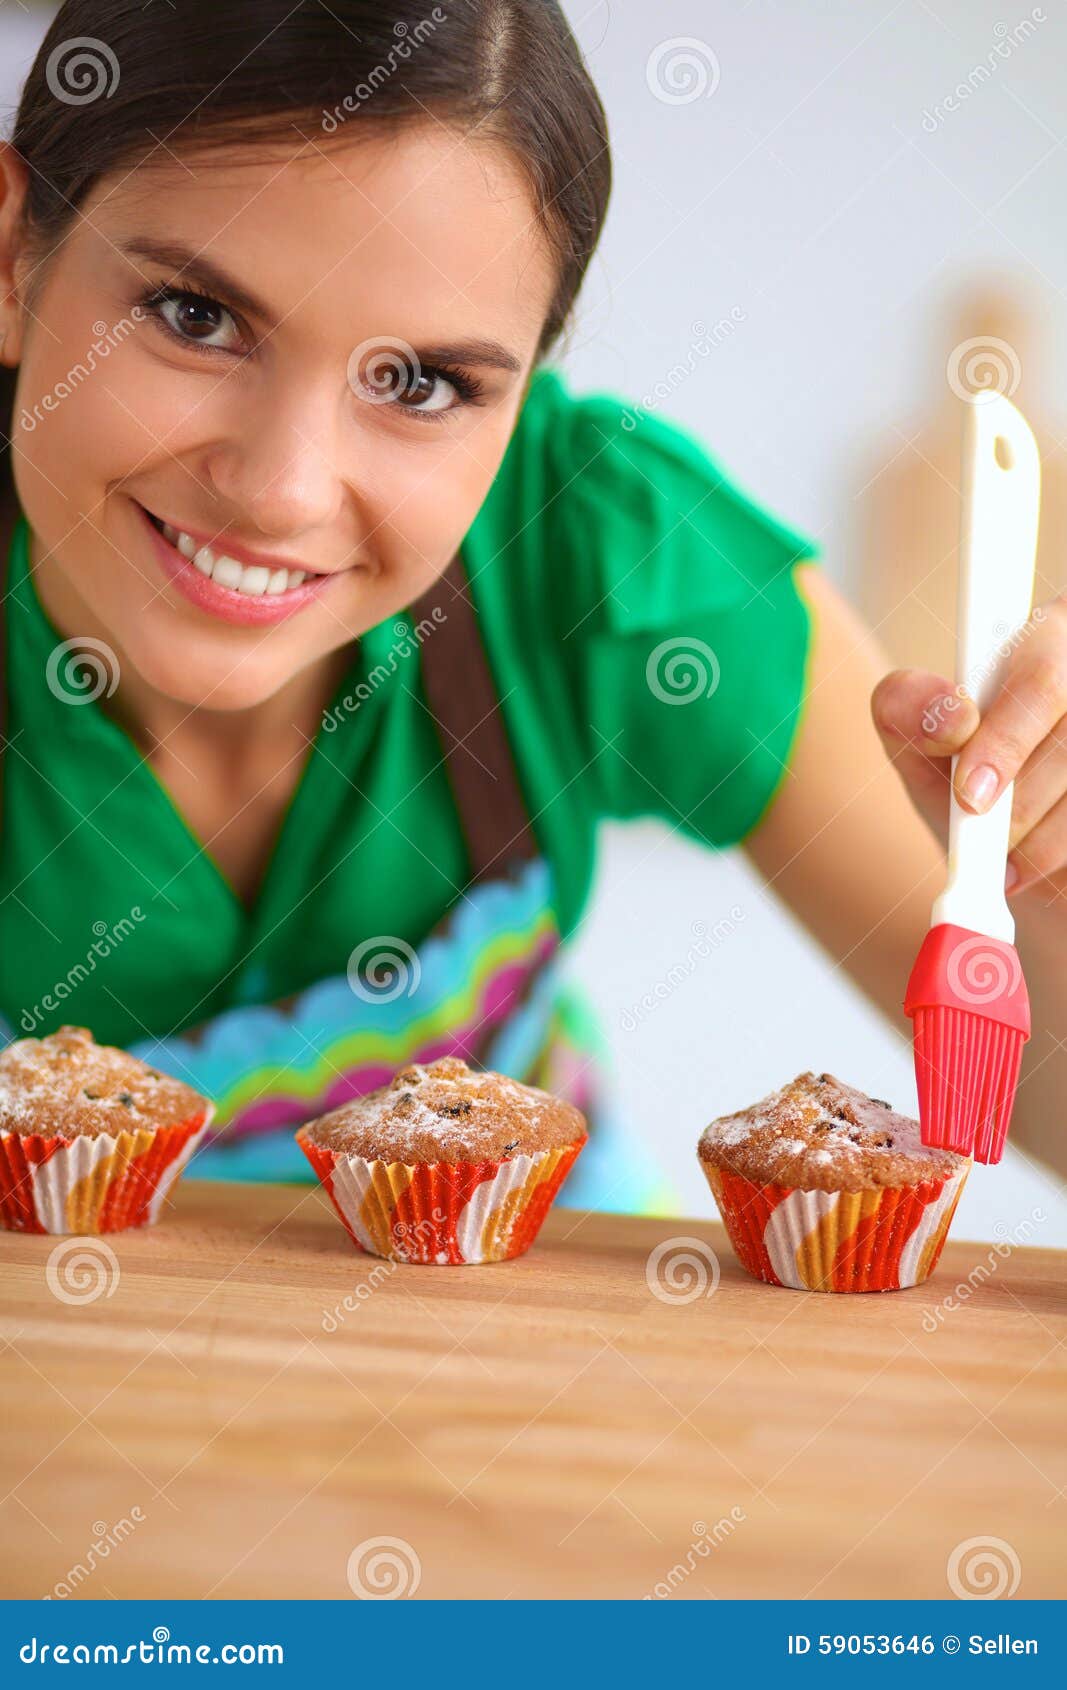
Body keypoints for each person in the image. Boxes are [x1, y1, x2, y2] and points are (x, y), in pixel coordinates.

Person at [1, 0, 1064, 1210]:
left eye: (421, 383)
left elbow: (1040, 1087)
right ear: (11, 251)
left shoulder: (595, 545)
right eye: (196, 317)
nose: (281, 492)